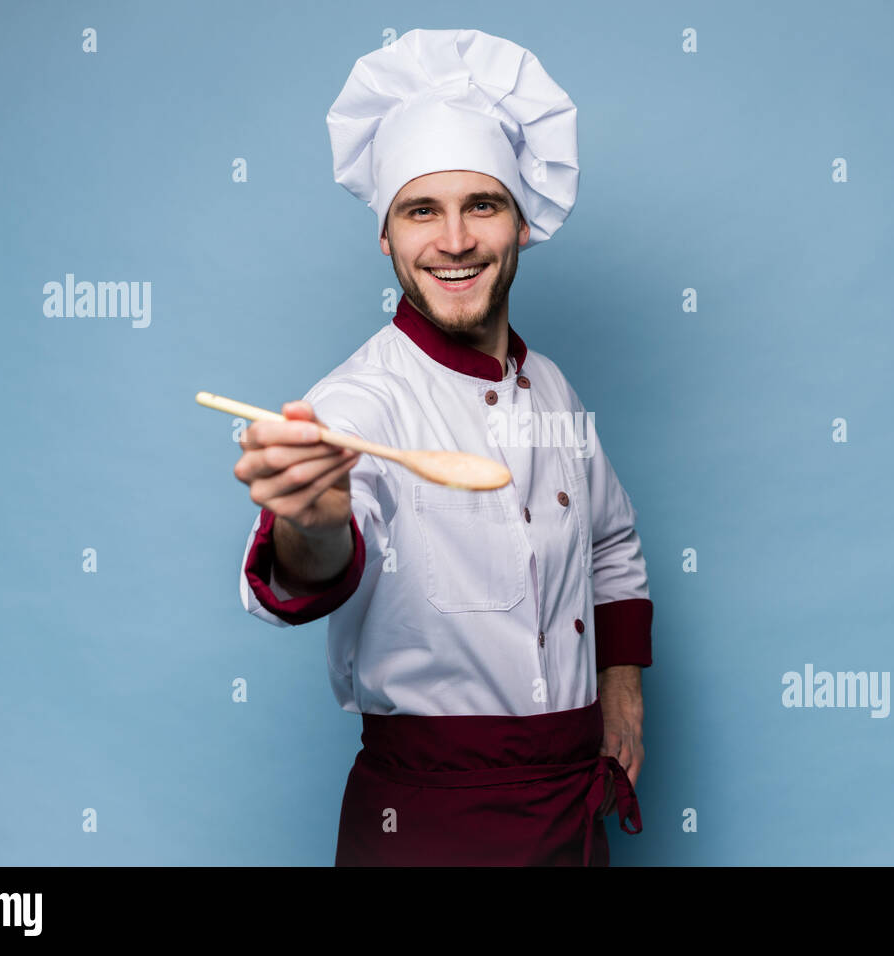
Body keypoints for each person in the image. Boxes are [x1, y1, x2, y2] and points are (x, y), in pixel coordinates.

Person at [232, 28, 652, 866]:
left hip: (571, 809)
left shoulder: (554, 388)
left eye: (482, 205)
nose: (454, 240)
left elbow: (611, 542)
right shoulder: (356, 406)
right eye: (422, 210)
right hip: (425, 827)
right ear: (385, 237)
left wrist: (621, 688)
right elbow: (316, 564)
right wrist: (311, 524)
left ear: (521, 224)